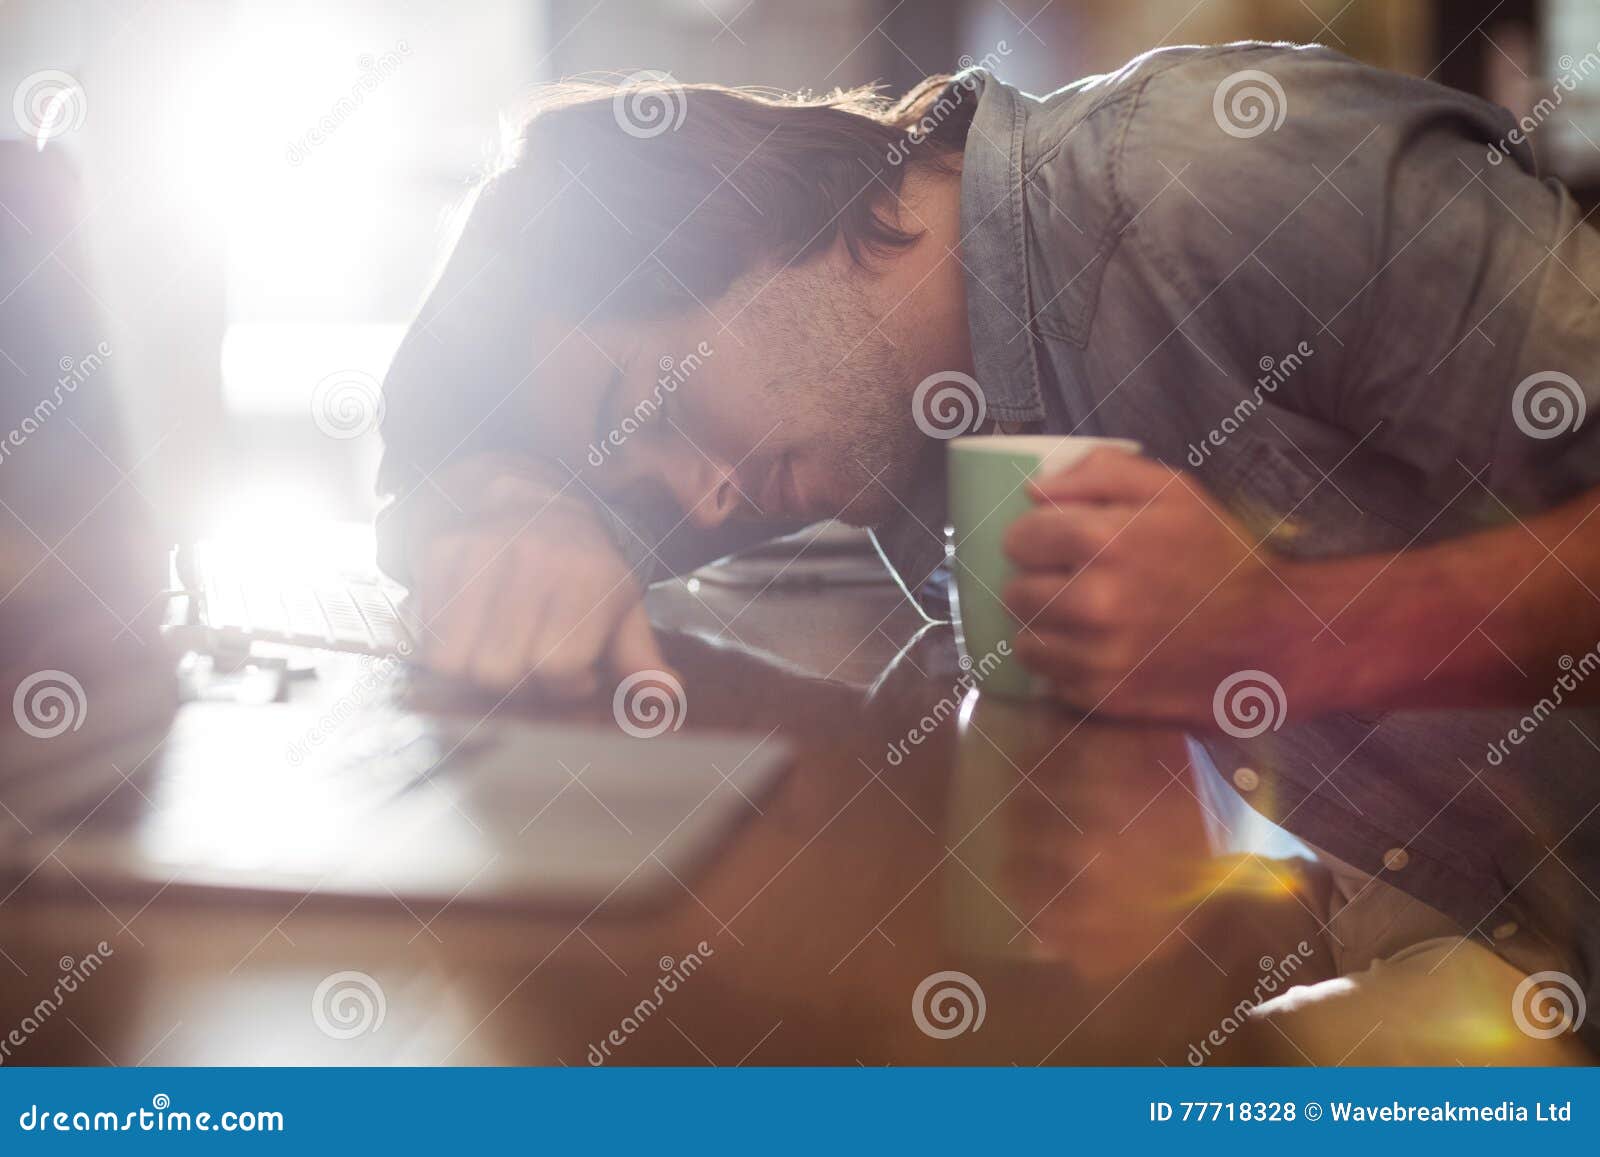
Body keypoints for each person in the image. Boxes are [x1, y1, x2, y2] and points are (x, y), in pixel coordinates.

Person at [377, 43, 1599, 1060]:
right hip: (1464, 938)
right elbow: (418, 479)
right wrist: (507, 498)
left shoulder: (1214, 175)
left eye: (642, 413)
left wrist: (1285, 630)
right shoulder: (848, 419)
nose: (699, 500)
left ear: (728, 212)